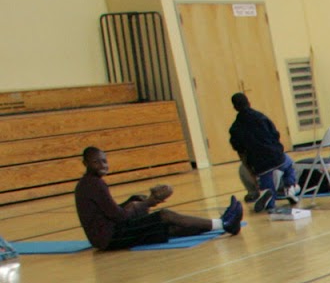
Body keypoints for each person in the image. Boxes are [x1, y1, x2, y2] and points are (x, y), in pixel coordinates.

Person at [73, 147, 241, 250]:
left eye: (104, 161)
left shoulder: (89, 183)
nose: (102, 165)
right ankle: (223, 223)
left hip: (107, 235)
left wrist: (134, 202)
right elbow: (120, 216)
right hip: (110, 238)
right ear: (85, 163)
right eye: (97, 162)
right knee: (164, 216)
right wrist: (147, 202)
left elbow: (110, 211)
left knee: (167, 227)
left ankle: (222, 224)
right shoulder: (94, 184)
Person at [228, 92, 300, 212]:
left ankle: (268, 198)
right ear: (249, 103)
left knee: (267, 186)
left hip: (259, 164)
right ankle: (289, 187)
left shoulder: (235, 128)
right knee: (289, 165)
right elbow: (275, 135)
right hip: (277, 157)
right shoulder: (261, 117)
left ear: (235, 108)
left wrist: (251, 171)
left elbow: (241, 152)